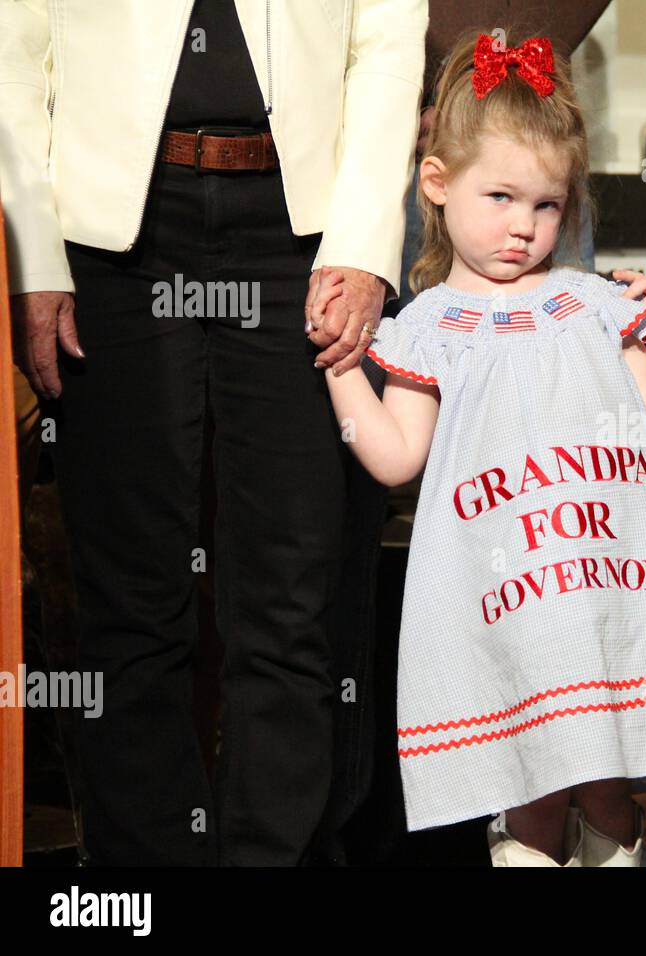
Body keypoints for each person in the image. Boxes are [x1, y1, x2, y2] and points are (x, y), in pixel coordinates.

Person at [1, 0, 427, 865]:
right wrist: (33, 252)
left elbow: (386, 38)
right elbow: (15, 39)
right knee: (129, 603)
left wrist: (363, 243)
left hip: (301, 237)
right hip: (109, 238)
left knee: (292, 597)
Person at [317, 28, 646, 867]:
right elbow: (396, 457)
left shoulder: (591, 303)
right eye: (500, 198)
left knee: (610, 787)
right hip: (506, 603)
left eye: (546, 206)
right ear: (436, 183)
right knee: (530, 789)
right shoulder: (428, 325)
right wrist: (341, 367)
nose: (524, 227)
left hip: (601, 594)